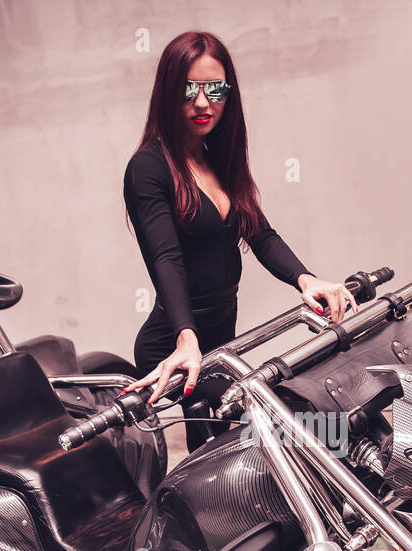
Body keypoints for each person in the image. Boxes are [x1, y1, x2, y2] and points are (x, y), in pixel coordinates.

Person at [121, 30, 358, 450]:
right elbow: (166, 258)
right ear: (166, 93)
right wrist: (186, 337)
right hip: (176, 345)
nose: (201, 102)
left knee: (230, 444)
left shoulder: (217, 158)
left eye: (214, 89)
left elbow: (260, 234)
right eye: (187, 89)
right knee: (270, 430)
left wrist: (307, 280)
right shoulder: (148, 168)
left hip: (220, 338)